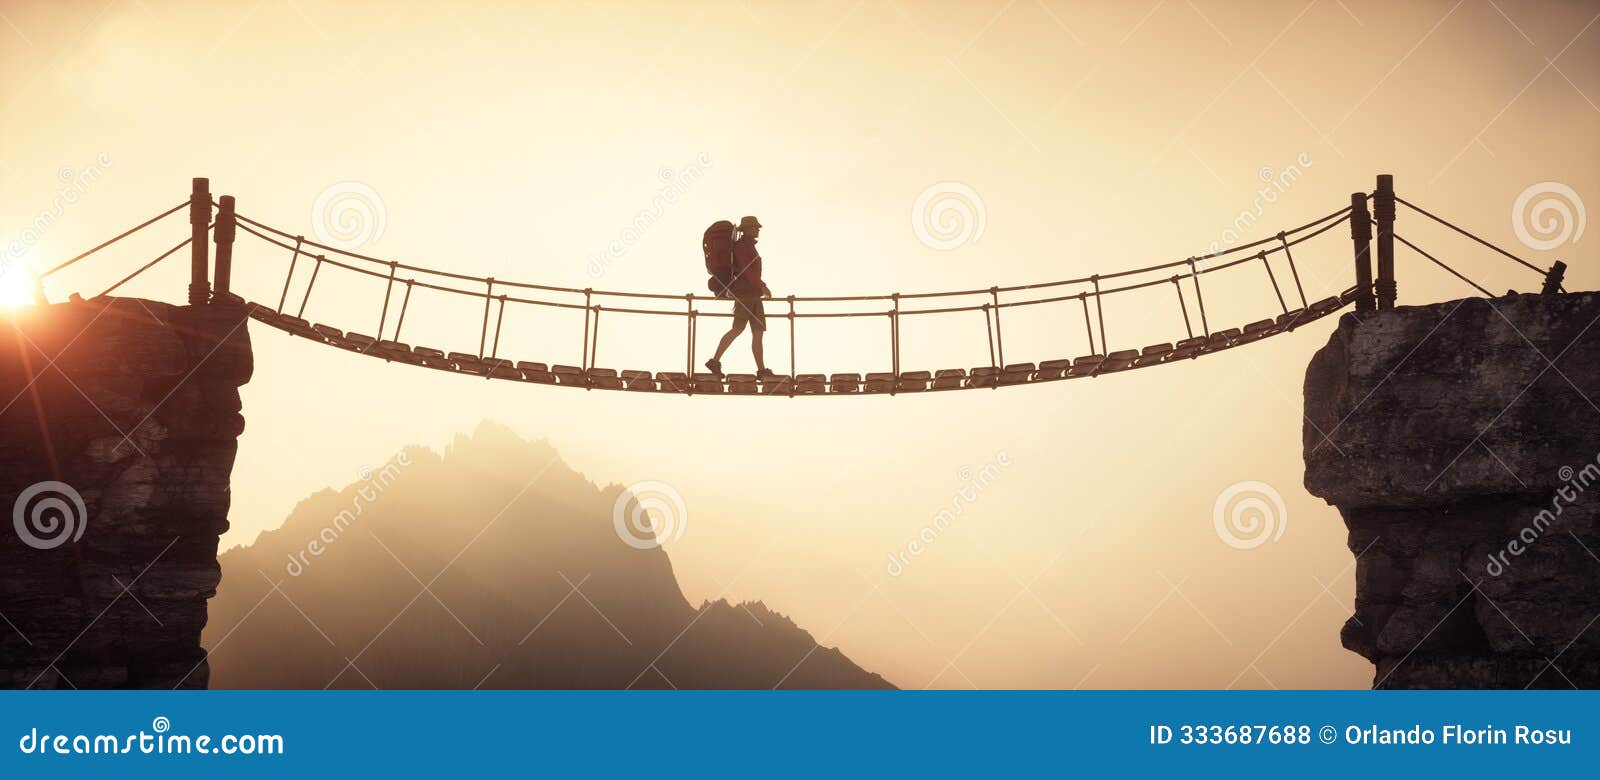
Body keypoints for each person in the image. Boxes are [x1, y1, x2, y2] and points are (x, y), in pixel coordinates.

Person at [706, 215, 773, 378]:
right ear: (747, 229)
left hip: (752, 294)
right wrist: (762, 286)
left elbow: (750, 272)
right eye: (755, 227)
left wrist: (761, 286)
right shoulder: (743, 247)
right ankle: (715, 361)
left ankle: (761, 369)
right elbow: (748, 271)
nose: (758, 229)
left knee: (756, 332)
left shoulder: (747, 246)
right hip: (747, 295)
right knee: (740, 329)